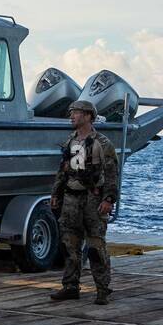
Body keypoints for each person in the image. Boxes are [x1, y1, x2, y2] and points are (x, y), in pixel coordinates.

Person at [49, 99, 119, 304]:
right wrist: (56, 194)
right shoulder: (71, 141)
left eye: (76, 112)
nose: (71, 116)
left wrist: (108, 199)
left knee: (96, 245)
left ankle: (102, 289)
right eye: (71, 112)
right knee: (69, 244)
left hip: (93, 199)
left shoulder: (102, 143)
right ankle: (70, 286)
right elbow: (63, 171)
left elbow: (112, 173)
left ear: (88, 116)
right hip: (71, 199)